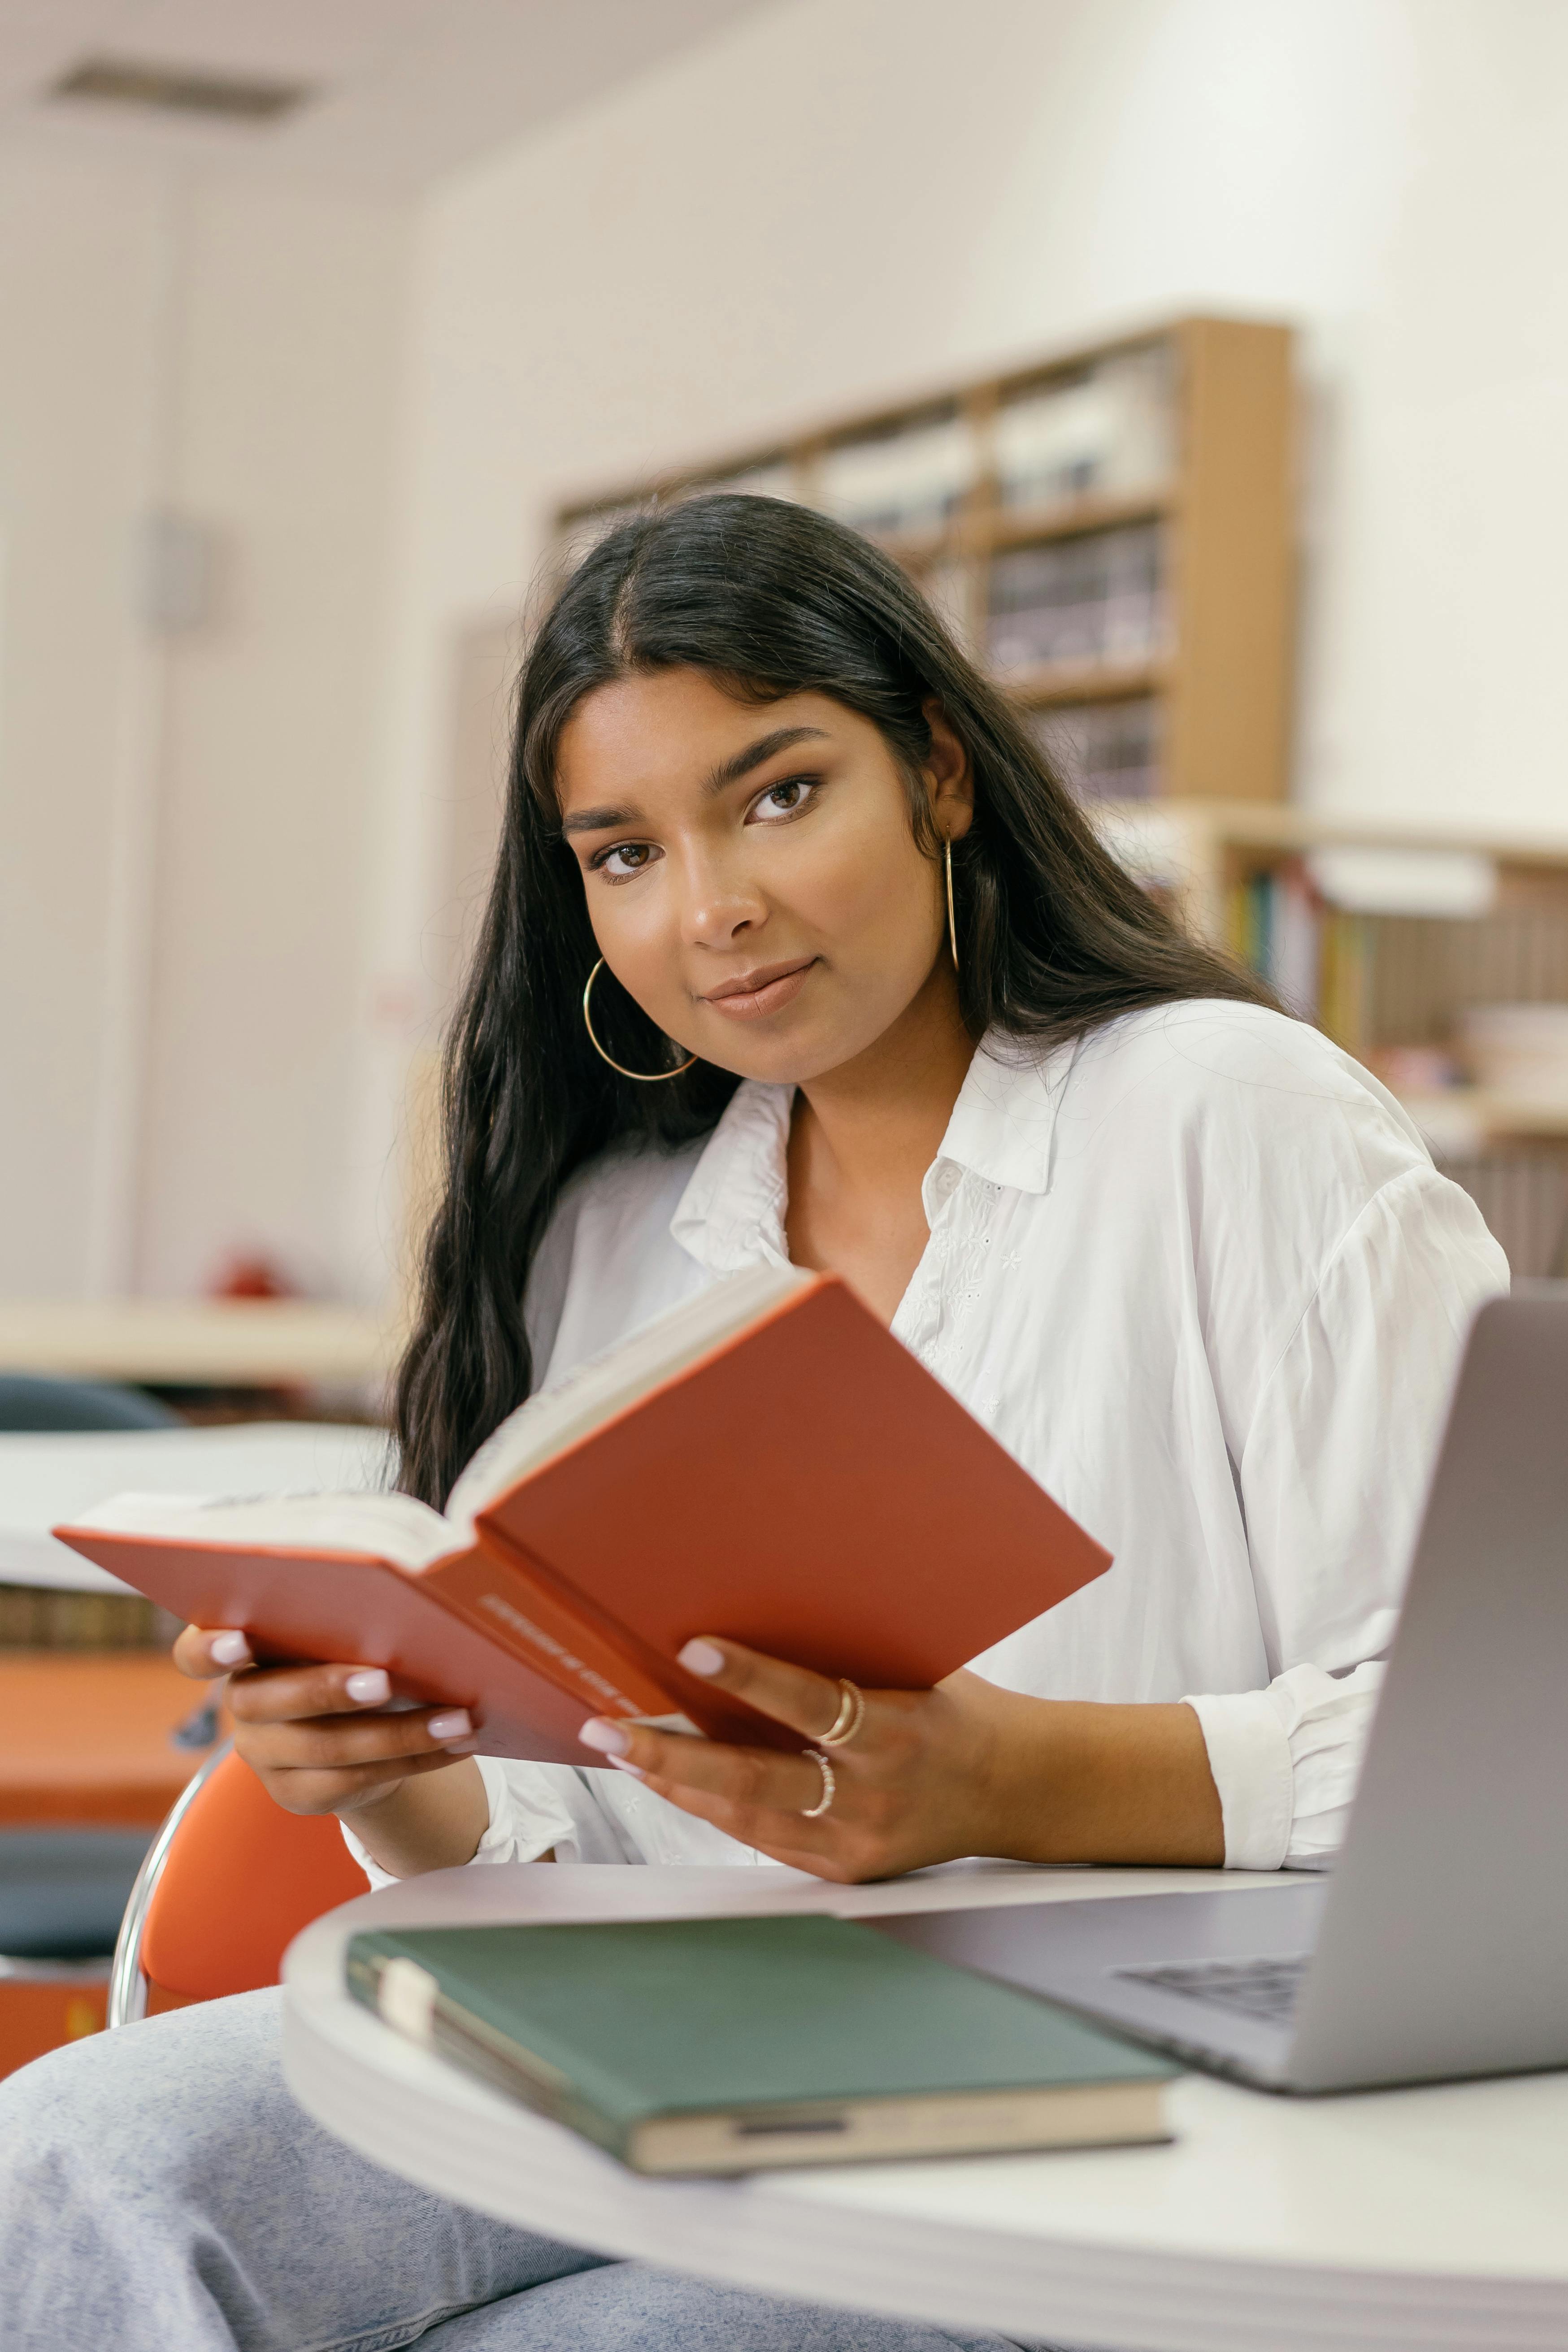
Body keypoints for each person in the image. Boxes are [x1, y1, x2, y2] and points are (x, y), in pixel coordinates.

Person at [0, 496, 1506, 2350]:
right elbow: (568, 1828)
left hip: (1093, 2075)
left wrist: (993, 1779)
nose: (706, 908)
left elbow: (1495, 1757)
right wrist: (385, 1763)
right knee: (59, 2160)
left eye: (777, 794)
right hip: (671, 2005)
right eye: (621, 852)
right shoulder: (613, 1229)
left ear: (937, 773)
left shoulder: (1227, 1119)